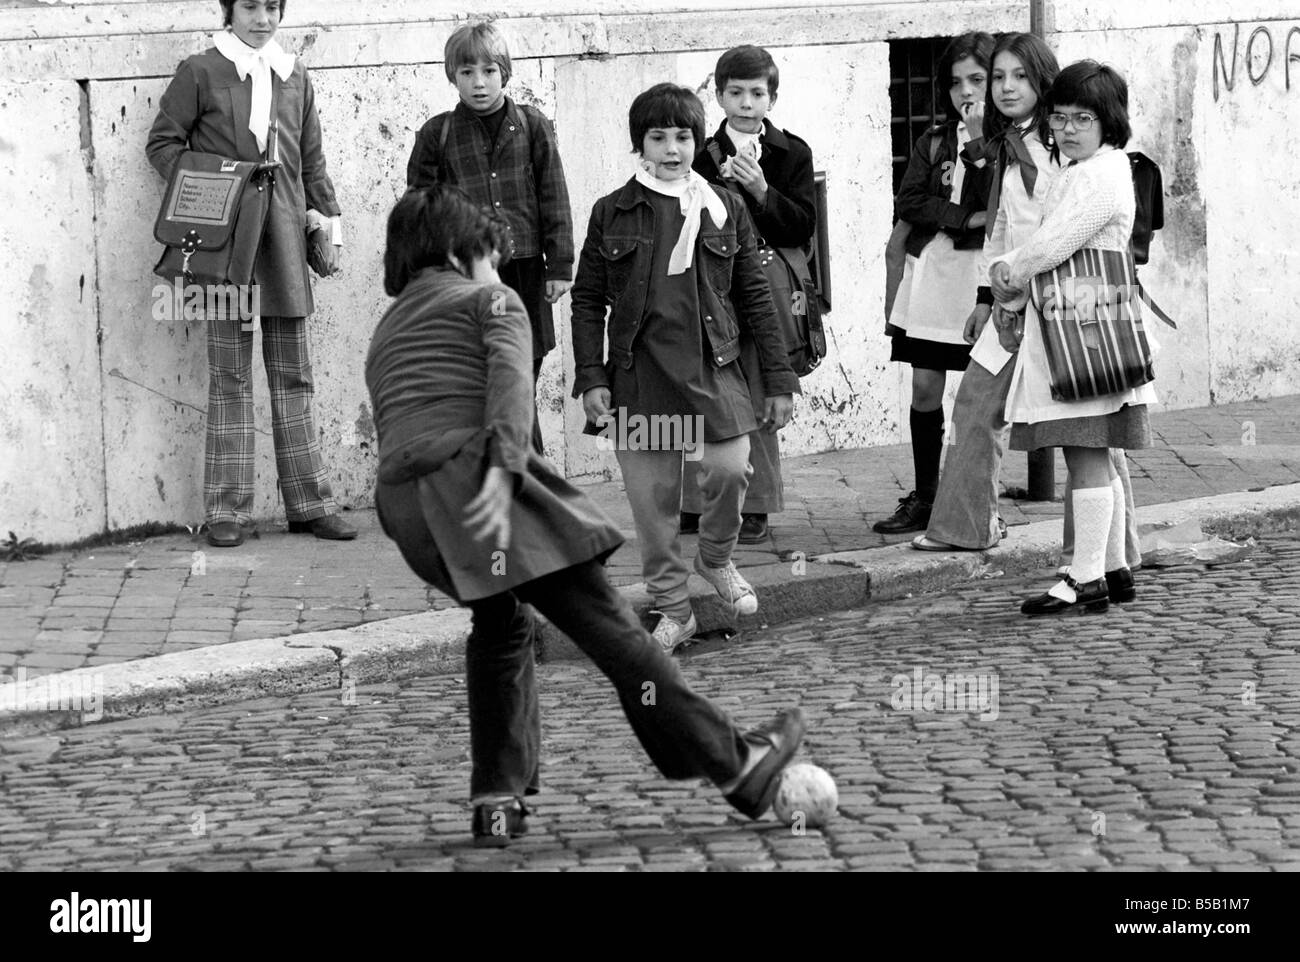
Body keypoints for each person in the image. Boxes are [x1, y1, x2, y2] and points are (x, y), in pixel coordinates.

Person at [366, 185, 806, 845]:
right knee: (613, 632)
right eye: (488, 256)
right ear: (460, 252)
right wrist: (505, 474)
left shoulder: (389, 328)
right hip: (480, 481)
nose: (496, 270)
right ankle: (740, 765)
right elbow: (510, 390)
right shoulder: (492, 302)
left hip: (407, 511)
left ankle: (497, 799)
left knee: (500, 624)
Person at [570, 83, 799, 654]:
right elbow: (587, 299)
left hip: (714, 371)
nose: (672, 149)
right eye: (658, 137)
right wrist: (592, 376)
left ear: (698, 141)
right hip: (639, 378)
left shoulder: (726, 207)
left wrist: (778, 380)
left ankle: (715, 558)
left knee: (730, 470)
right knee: (654, 507)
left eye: (683, 137)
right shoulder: (611, 212)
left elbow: (754, 296)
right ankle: (674, 610)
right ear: (639, 144)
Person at [146, 0, 356, 548]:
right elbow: (163, 143)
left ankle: (310, 505)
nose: (262, 19)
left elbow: (313, 163)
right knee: (230, 375)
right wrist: (213, 186)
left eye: (271, 7)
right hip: (225, 248)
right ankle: (227, 510)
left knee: (294, 374)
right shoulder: (200, 70)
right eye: (250, 6)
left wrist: (327, 230)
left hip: (283, 238)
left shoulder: (294, 74)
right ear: (227, 9)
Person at [987, 61, 1155, 614]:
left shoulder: (1099, 174)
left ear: (1109, 120)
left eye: (1083, 118)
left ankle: (1085, 578)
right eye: (1059, 118)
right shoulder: (1086, 169)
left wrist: (1008, 277)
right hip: (1088, 328)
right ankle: (1113, 567)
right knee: (1094, 452)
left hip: (1084, 335)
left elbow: (1052, 244)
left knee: (1084, 453)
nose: (1067, 129)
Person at [907, 32, 1061, 552]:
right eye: (999, 77)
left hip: (1055, 306)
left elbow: (1058, 229)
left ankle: (1112, 549)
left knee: (1088, 430)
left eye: (1019, 76)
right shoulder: (1005, 145)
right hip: (1008, 306)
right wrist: (984, 297)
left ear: (1042, 80)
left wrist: (1016, 277)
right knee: (974, 407)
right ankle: (968, 527)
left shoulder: (1058, 145)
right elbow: (998, 228)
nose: (1005, 87)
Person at [406, 21, 574, 455]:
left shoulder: (533, 125)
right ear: (452, 76)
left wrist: (559, 265)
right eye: (467, 72)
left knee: (521, 376)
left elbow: (554, 194)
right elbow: (419, 211)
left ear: (505, 72)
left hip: (525, 274)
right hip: (468, 280)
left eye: (488, 71)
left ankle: (524, 470)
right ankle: (510, 471)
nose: (478, 83)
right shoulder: (437, 134)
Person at [682, 44, 818, 545]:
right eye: (735, 92)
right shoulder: (699, 153)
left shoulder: (792, 153)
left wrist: (762, 192)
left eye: (756, 93)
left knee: (759, 394)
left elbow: (801, 226)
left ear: (771, 99)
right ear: (719, 96)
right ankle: (697, 502)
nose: (746, 102)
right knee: (703, 392)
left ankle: (756, 504)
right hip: (712, 288)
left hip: (764, 289)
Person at [872, 32, 996, 535]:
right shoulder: (934, 140)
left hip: (982, 278)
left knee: (980, 395)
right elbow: (911, 201)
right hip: (932, 275)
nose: (966, 92)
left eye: (977, 80)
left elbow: (1002, 204)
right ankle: (925, 495)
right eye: (956, 82)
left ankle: (974, 500)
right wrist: (963, 218)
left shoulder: (1010, 145)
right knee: (925, 384)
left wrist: (982, 143)